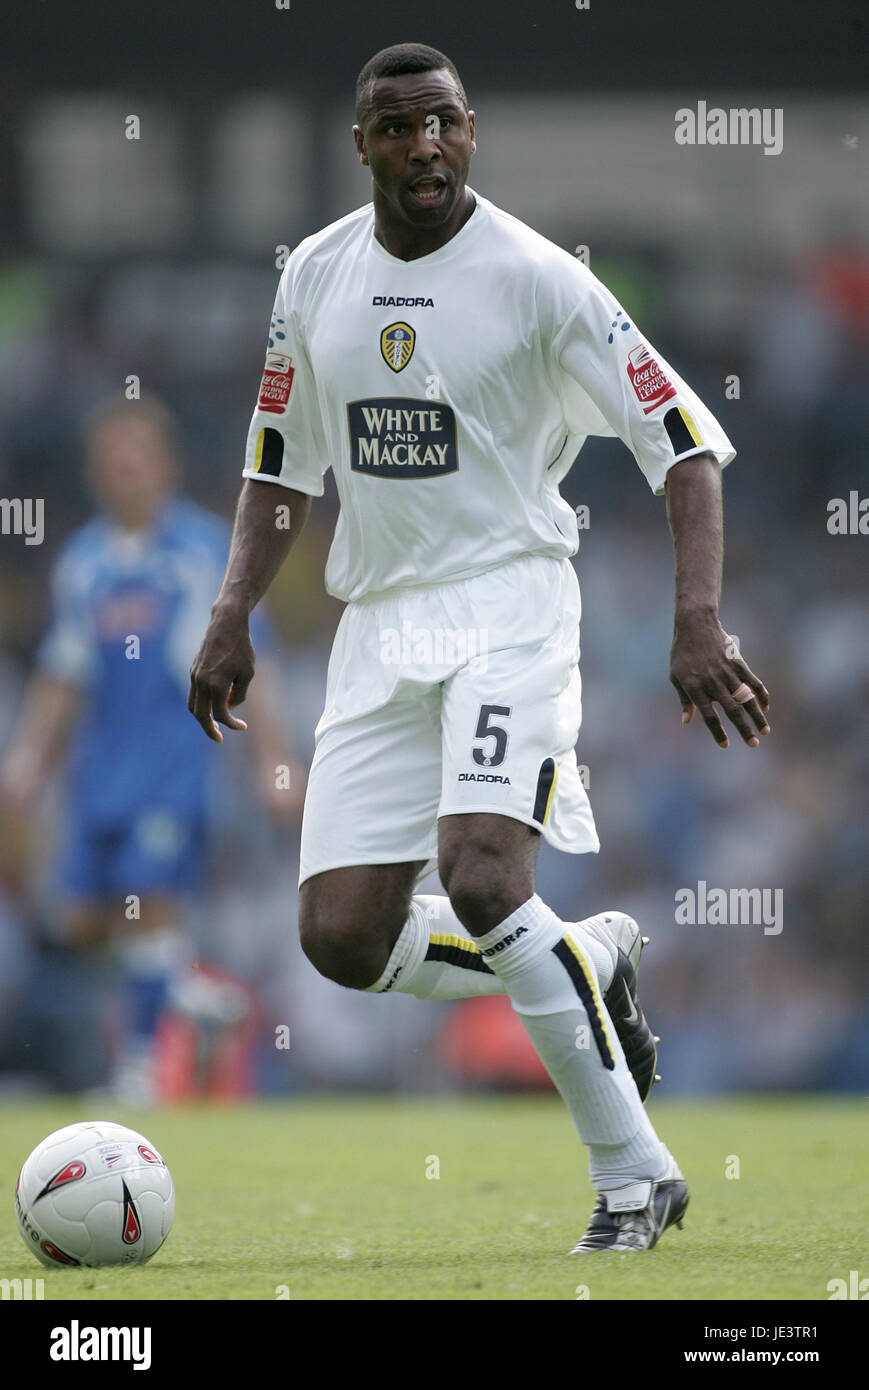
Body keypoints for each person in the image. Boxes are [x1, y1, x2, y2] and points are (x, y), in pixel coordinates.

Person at [188, 43, 770, 1252]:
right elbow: (276, 460)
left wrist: (695, 618)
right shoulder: (312, 277)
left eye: (442, 124)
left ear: (472, 131)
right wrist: (232, 609)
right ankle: (581, 961)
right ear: (362, 146)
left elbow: (681, 443)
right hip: (381, 619)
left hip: (508, 603)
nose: (423, 149)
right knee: (340, 936)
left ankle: (630, 1176)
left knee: (484, 874)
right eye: (395, 130)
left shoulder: (541, 279)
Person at [1, 393, 304, 1102]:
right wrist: (27, 763)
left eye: (136, 455)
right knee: (78, 919)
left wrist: (275, 764)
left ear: (164, 465)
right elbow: (62, 676)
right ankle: (193, 995)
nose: (124, 469)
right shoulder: (83, 563)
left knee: (149, 896)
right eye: (112, 458)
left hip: (174, 760)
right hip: (99, 769)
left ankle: (137, 1071)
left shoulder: (203, 552)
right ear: (96, 470)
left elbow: (254, 660)